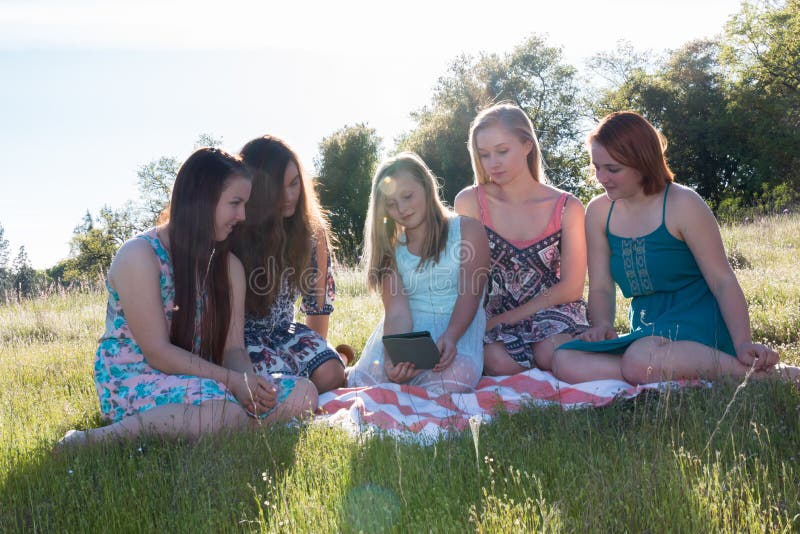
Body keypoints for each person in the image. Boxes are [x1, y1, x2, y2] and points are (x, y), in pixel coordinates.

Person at [58, 148, 318, 448]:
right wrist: (232, 382)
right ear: (202, 200)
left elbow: (234, 348)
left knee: (304, 393)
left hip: (204, 382)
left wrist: (249, 384)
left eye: (244, 204)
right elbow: (158, 353)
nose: (242, 216)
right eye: (235, 203)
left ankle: (229, 423)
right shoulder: (139, 256)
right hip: (137, 377)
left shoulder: (230, 266)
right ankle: (93, 441)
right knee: (223, 412)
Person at [553, 111, 798, 385]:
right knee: (565, 360)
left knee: (639, 360)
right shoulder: (598, 211)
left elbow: (722, 280)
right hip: (648, 330)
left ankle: (758, 376)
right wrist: (602, 326)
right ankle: (684, 373)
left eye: (613, 169)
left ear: (643, 163)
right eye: (596, 166)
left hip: (698, 319)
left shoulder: (683, 203)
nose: (601, 177)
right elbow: (600, 286)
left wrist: (743, 343)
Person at [454, 102, 589, 376]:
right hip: (493, 319)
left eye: (503, 151)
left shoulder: (567, 206)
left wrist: (507, 318)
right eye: (484, 154)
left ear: (527, 145)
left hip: (553, 311)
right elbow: (466, 277)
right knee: (499, 362)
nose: (494, 163)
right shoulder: (470, 201)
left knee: (550, 352)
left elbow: (572, 288)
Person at [347, 152, 489, 394]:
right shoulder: (391, 249)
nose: (401, 209)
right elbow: (397, 312)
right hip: (409, 336)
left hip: (457, 326)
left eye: (407, 196)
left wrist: (452, 336)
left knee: (454, 378)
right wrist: (394, 357)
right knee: (372, 377)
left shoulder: (467, 230)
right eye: (391, 204)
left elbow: (471, 293)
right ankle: (346, 366)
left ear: (425, 186)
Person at [231, 135, 345, 394]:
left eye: (295, 184)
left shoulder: (311, 232)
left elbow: (317, 306)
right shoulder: (235, 230)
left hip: (285, 332)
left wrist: (318, 352)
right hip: (241, 340)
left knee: (332, 374)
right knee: (279, 388)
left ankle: (331, 363)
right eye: (278, 189)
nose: (290, 195)